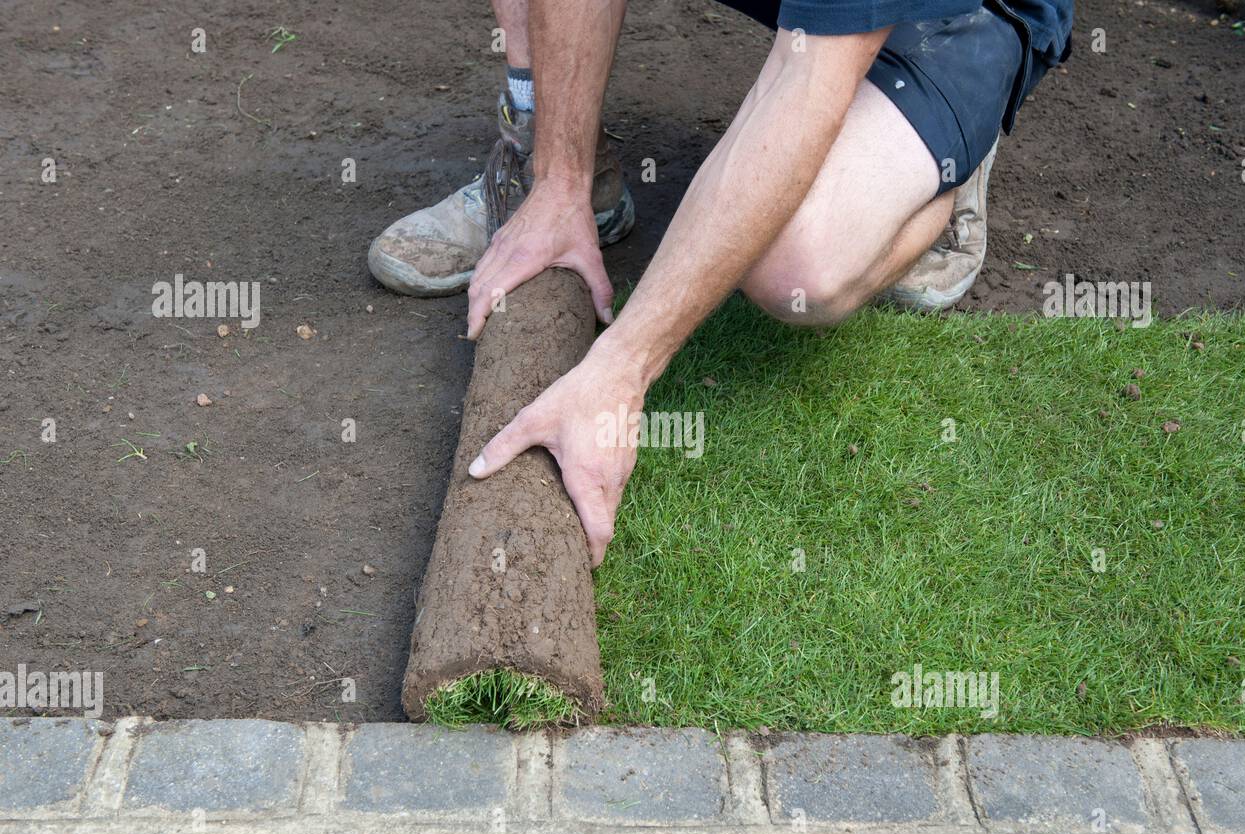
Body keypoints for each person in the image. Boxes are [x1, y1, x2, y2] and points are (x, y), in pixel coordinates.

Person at [369, 0, 1073, 565]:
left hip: (955, 15)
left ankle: (943, 158)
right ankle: (550, 150)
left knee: (799, 266)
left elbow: (799, 82)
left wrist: (620, 368)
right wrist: (557, 184)